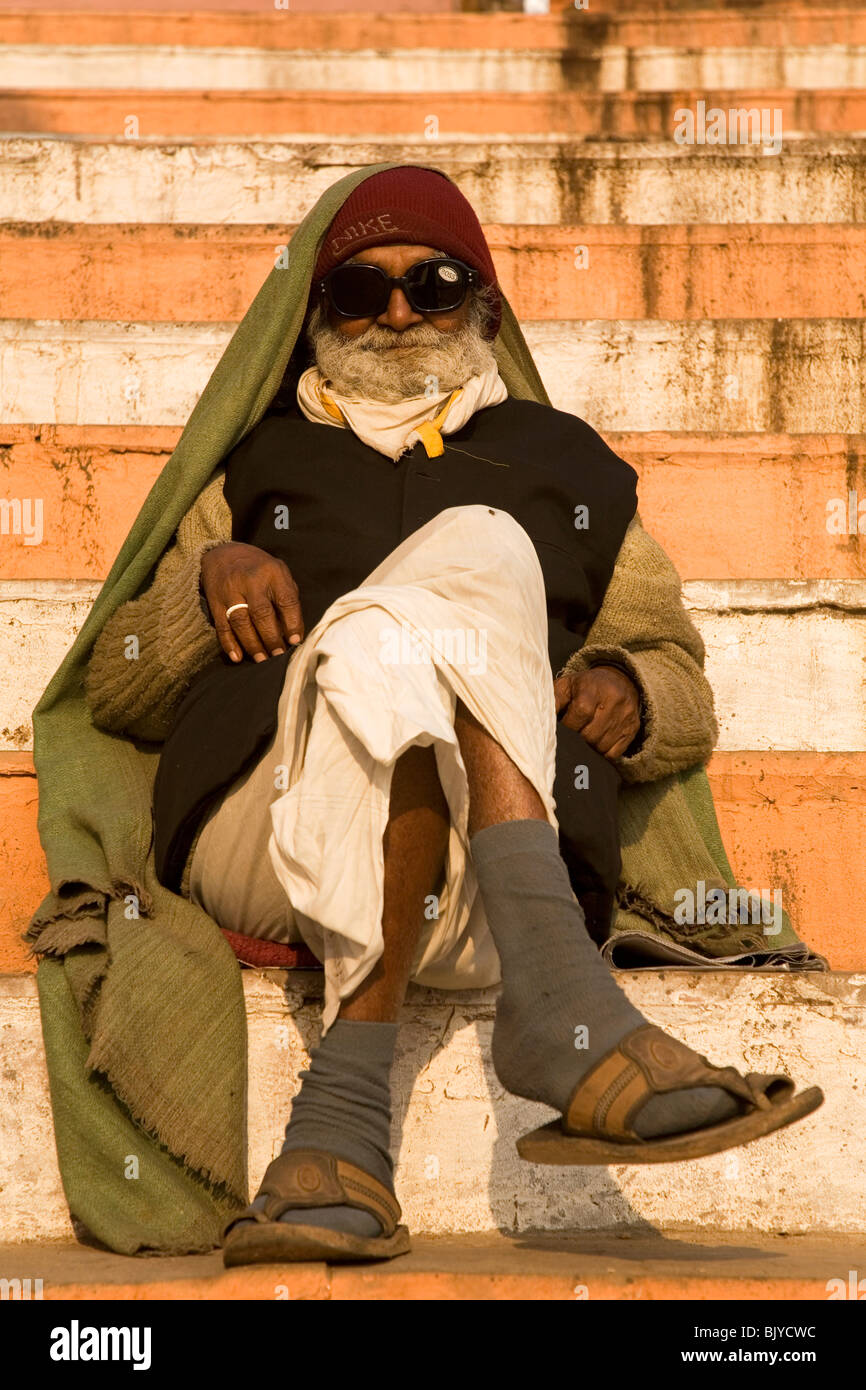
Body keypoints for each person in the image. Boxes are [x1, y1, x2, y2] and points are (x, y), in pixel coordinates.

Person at [83, 166, 822, 1265]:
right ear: (314, 311)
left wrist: (629, 686)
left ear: (480, 307)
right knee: (403, 615)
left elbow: (680, 681)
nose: (395, 313)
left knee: (469, 548)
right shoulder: (248, 473)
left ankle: (337, 1131)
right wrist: (205, 586)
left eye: (432, 284)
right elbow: (120, 686)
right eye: (357, 290)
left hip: (485, 885)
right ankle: (562, 1018)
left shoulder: (563, 463)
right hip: (278, 846)